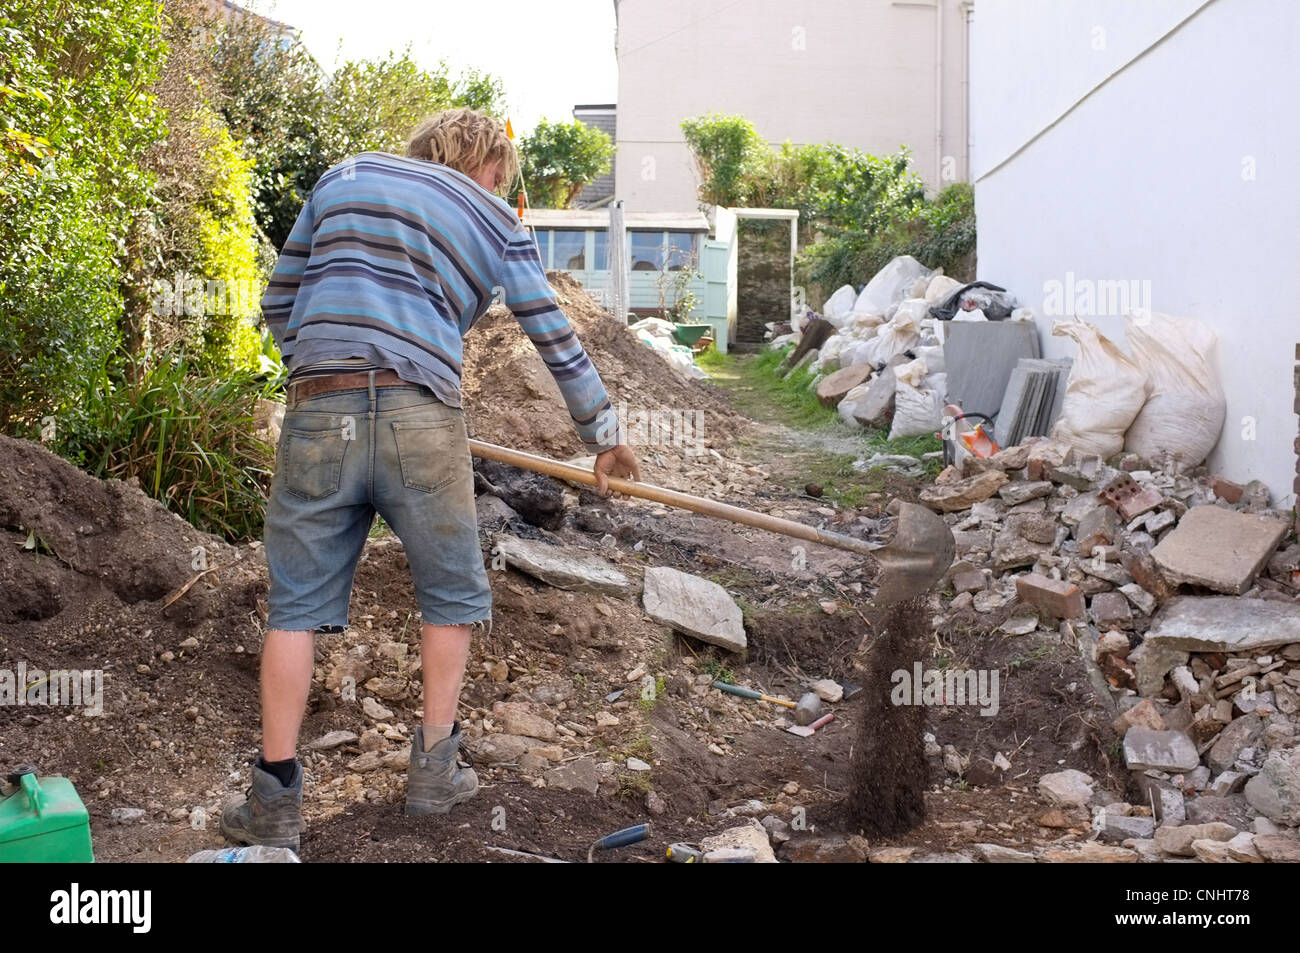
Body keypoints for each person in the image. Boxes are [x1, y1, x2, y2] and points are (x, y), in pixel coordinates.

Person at [220, 108, 641, 852]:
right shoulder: (497, 216)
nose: (496, 186)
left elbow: (278, 301)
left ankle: (274, 800)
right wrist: (602, 435)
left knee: (295, 605)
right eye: (499, 176)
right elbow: (550, 328)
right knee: (449, 592)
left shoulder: (342, 175)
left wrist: (320, 370)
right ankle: (434, 772)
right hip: (422, 415)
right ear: (488, 166)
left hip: (320, 407)